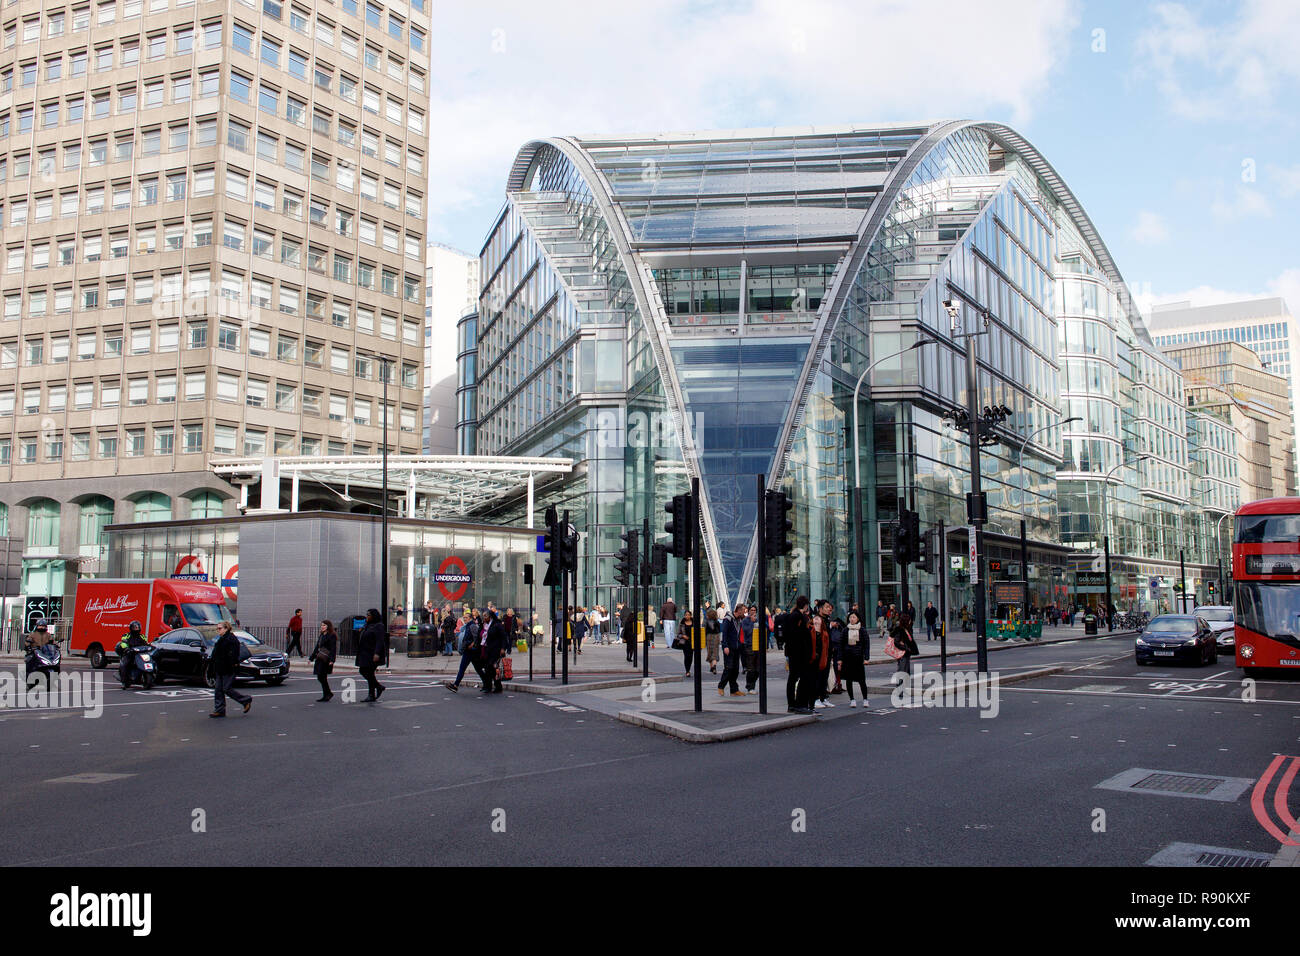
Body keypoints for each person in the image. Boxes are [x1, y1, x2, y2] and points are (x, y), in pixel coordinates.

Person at [209, 621, 252, 718]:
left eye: (220, 628)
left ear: (226, 628)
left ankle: (245, 700)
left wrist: (231, 664)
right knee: (218, 690)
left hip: (228, 668)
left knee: (226, 688)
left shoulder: (231, 639)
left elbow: (233, 655)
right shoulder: (222, 639)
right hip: (220, 668)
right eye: (218, 628)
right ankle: (219, 710)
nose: (218, 630)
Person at [782, 598, 814, 714]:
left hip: (793, 652)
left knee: (793, 677)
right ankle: (800, 704)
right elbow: (801, 636)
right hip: (800, 652)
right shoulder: (799, 617)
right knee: (802, 677)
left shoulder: (792, 616)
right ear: (805, 606)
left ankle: (792, 704)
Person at [443, 611, 481, 692]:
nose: (465, 619)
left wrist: (472, 644)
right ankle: (456, 685)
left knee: (465, 668)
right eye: (464, 618)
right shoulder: (467, 626)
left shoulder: (472, 626)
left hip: (471, 651)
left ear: (470, 618)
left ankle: (456, 685)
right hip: (468, 650)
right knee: (476, 669)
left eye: (466, 618)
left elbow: (477, 636)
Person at [355, 608, 387, 702]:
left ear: (374, 616)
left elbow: (380, 641)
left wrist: (376, 653)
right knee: (365, 672)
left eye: (369, 615)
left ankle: (372, 693)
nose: (367, 617)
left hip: (372, 653)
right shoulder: (368, 625)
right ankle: (376, 689)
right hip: (365, 652)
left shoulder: (379, 626)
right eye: (367, 614)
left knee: (367, 672)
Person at [839, 610, 868, 707]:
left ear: (858, 618)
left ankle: (865, 699)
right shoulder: (845, 630)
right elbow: (841, 645)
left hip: (858, 657)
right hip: (848, 658)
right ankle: (852, 699)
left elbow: (866, 644)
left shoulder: (862, 630)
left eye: (854, 617)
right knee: (849, 679)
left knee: (861, 680)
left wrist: (866, 657)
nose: (852, 619)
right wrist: (840, 659)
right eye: (850, 617)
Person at [717, 605, 744, 696]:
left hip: (737, 647)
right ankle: (721, 686)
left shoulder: (739, 620)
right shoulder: (728, 619)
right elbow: (724, 634)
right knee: (729, 668)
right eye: (743, 611)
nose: (744, 612)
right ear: (738, 610)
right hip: (729, 647)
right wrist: (725, 646)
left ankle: (734, 690)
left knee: (735, 669)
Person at [309, 620, 338, 701]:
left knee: (322, 676)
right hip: (319, 658)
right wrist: (311, 658)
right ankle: (328, 693)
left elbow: (333, 648)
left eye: (324, 625)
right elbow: (317, 647)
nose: (322, 626)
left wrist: (332, 660)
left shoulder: (331, 635)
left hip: (326, 659)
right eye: (321, 625)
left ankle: (327, 694)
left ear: (328, 626)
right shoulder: (321, 635)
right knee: (320, 677)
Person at [116, 620, 148, 685]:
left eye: (137, 627)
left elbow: (146, 643)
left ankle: (146, 678)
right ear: (131, 628)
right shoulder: (126, 635)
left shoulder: (142, 636)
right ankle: (124, 681)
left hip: (139, 653)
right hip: (130, 653)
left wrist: (149, 646)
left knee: (147, 661)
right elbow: (123, 643)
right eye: (135, 627)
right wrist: (126, 648)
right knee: (125, 664)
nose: (136, 629)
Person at [811, 614, 833, 708]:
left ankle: (822, 698)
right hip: (814, 659)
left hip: (824, 658)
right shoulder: (811, 631)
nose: (816, 620)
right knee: (816, 679)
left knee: (824, 678)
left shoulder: (824, 633)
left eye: (818, 619)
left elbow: (828, 645)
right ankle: (815, 699)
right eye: (814, 619)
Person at [740, 605, 759, 693]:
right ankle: (750, 687)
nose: (753, 612)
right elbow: (747, 631)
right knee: (751, 668)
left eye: (754, 610)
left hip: (758, 646)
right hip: (749, 645)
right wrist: (752, 622)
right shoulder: (745, 620)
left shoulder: (758, 619)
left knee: (758, 669)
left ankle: (753, 684)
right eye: (751, 610)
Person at [678, 610, 695, 675]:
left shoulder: (694, 622)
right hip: (685, 642)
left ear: (690, 616)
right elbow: (678, 634)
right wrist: (683, 636)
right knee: (686, 656)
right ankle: (687, 671)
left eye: (688, 615)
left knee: (690, 657)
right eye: (686, 615)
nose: (687, 616)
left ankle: (689, 668)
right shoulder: (682, 623)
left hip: (692, 642)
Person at [705, 607, 720, 674]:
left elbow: (705, 630)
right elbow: (719, 630)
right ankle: (714, 666)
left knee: (709, 651)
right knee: (715, 651)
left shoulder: (706, 622)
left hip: (709, 637)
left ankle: (711, 666)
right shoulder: (717, 622)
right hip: (716, 636)